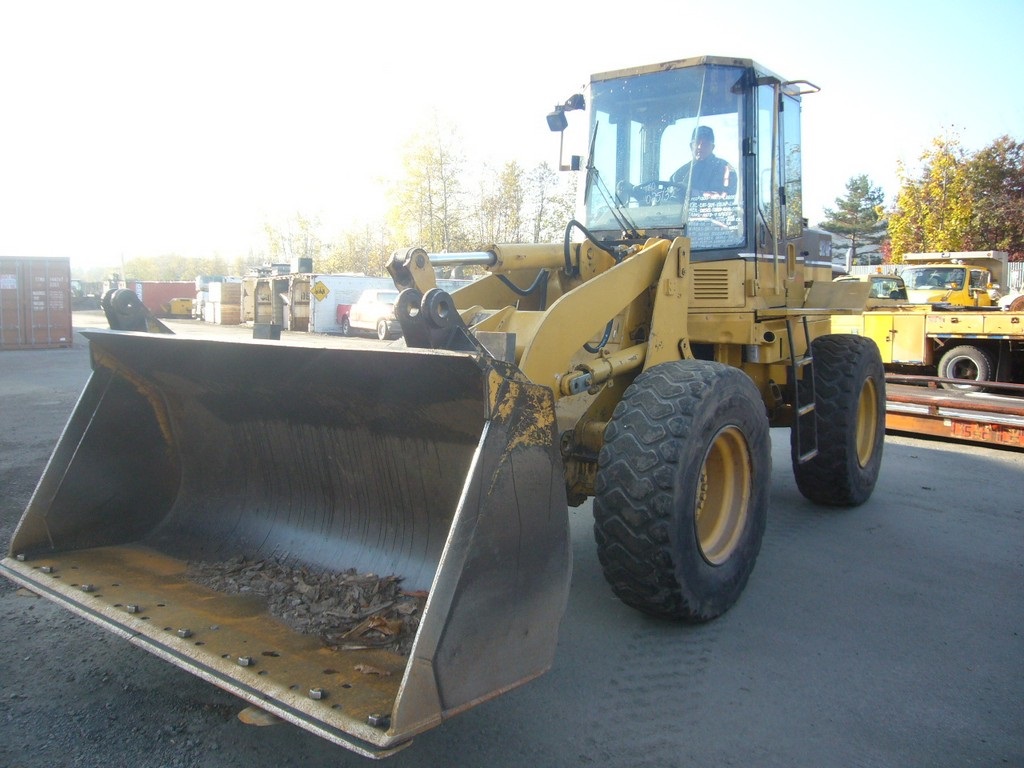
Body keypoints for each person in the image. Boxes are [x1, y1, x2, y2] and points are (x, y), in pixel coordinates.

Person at [671, 125, 737, 197]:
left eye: (705, 144)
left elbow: (725, 196)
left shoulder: (724, 168)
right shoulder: (679, 174)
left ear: (712, 147)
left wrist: (692, 193)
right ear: (691, 146)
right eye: (697, 143)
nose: (700, 147)